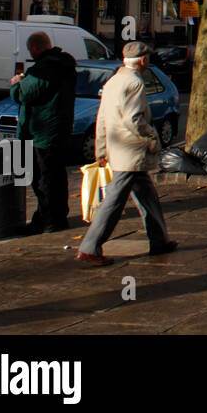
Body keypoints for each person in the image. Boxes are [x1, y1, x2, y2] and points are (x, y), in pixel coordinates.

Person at [76, 42, 174, 266]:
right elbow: (134, 120)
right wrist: (152, 139)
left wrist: (101, 149)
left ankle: (159, 241)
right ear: (142, 61)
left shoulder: (113, 81)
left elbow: (101, 118)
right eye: (147, 59)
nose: (148, 63)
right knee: (113, 201)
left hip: (117, 148)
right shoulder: (134, 82)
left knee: (148, 197)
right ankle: (90, 247)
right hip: (131, 151)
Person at [9, 31, 76, 233]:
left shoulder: (46, 67)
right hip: (56, 129)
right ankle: (49, 216)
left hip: (43, 132)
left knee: (44, 178)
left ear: (36, 48)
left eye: (31, 50)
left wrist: (16, 82)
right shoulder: (62, 65)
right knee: (54, 175)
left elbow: (23, 93)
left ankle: (51, 219)